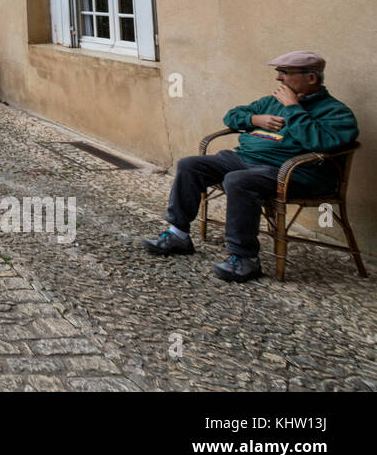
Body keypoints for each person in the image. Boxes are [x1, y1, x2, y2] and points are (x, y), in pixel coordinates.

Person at [143, 50, 358, 282]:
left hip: (292, 172)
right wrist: (255, 120)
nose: (278, 78)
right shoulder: (270, 102)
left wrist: (294, 108)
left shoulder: (336, 112)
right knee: (190, 165)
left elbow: (322, 142)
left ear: (311, 78)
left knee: (238, 180)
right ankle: (178, 235)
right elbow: (233, 115)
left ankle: (245, 259)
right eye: (278, 73)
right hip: (244, 159)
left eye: (284, 73)